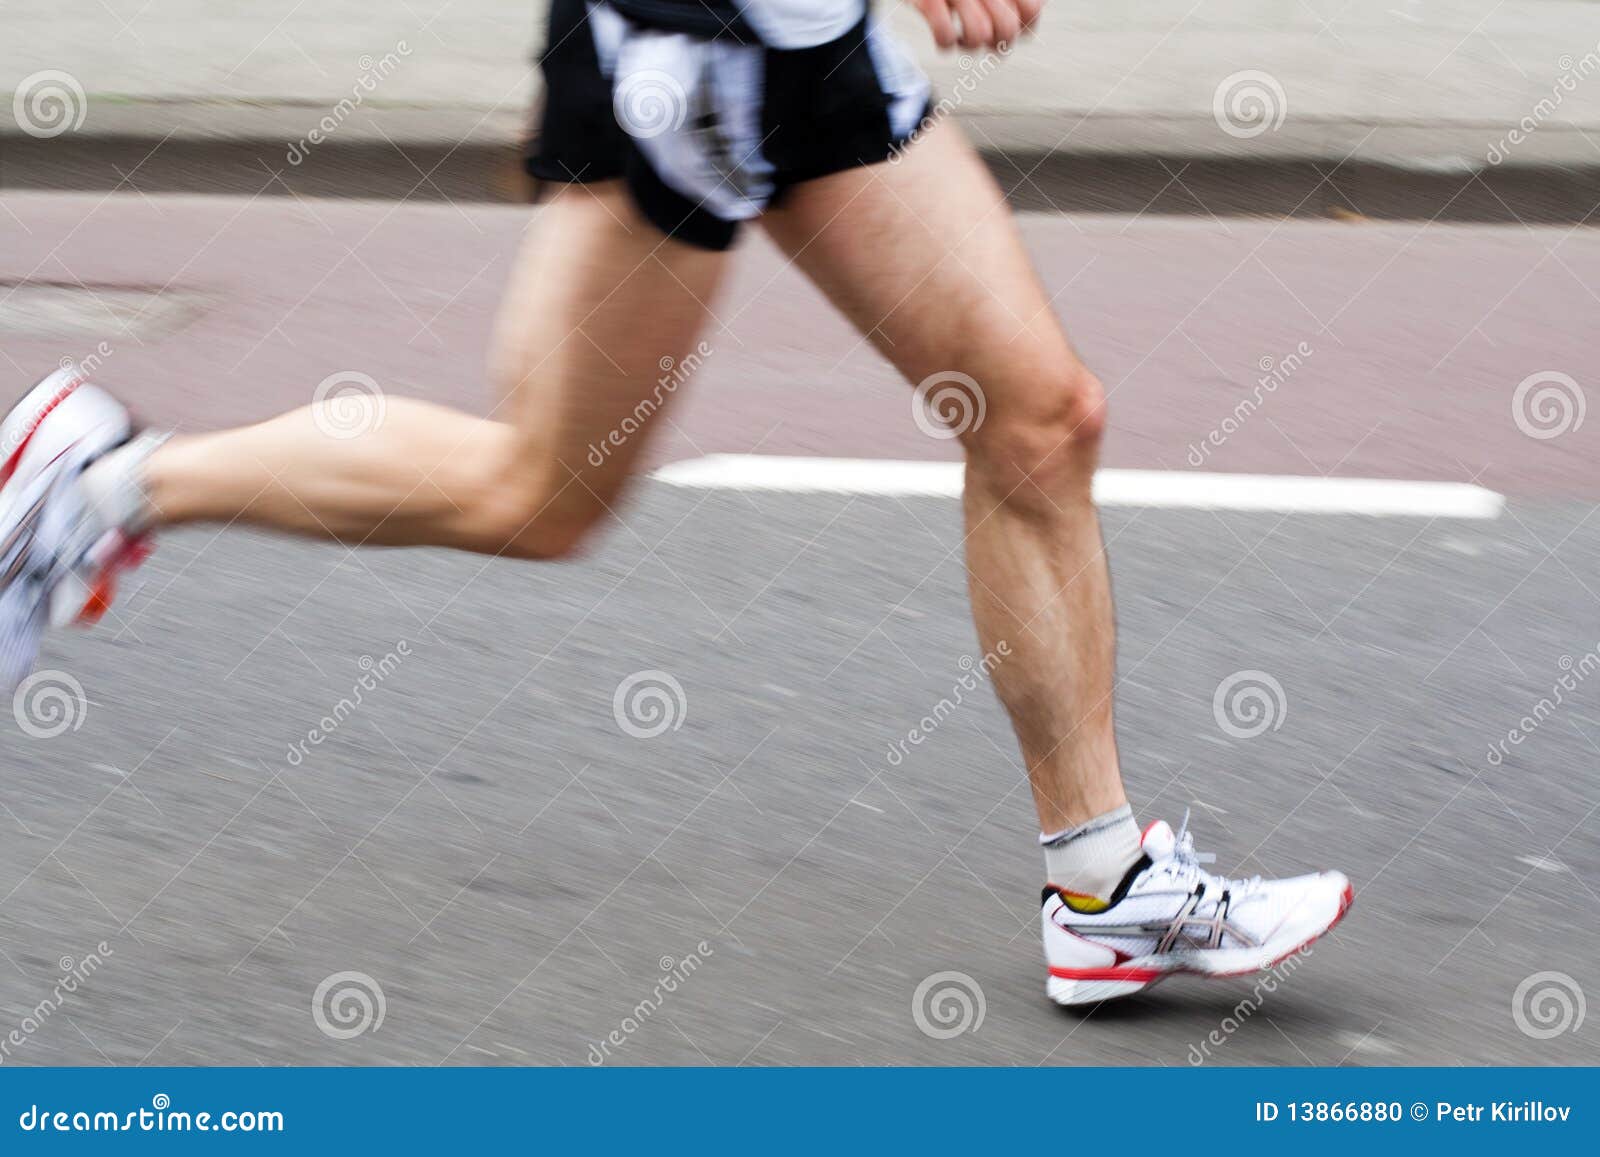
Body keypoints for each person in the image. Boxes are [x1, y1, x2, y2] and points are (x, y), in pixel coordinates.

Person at [0, 0, 1350, 1006]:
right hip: (681, 40)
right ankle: (101, 477)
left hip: (804, 29)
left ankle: (1103, 884)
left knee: (1042, 421)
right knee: (538, 492)